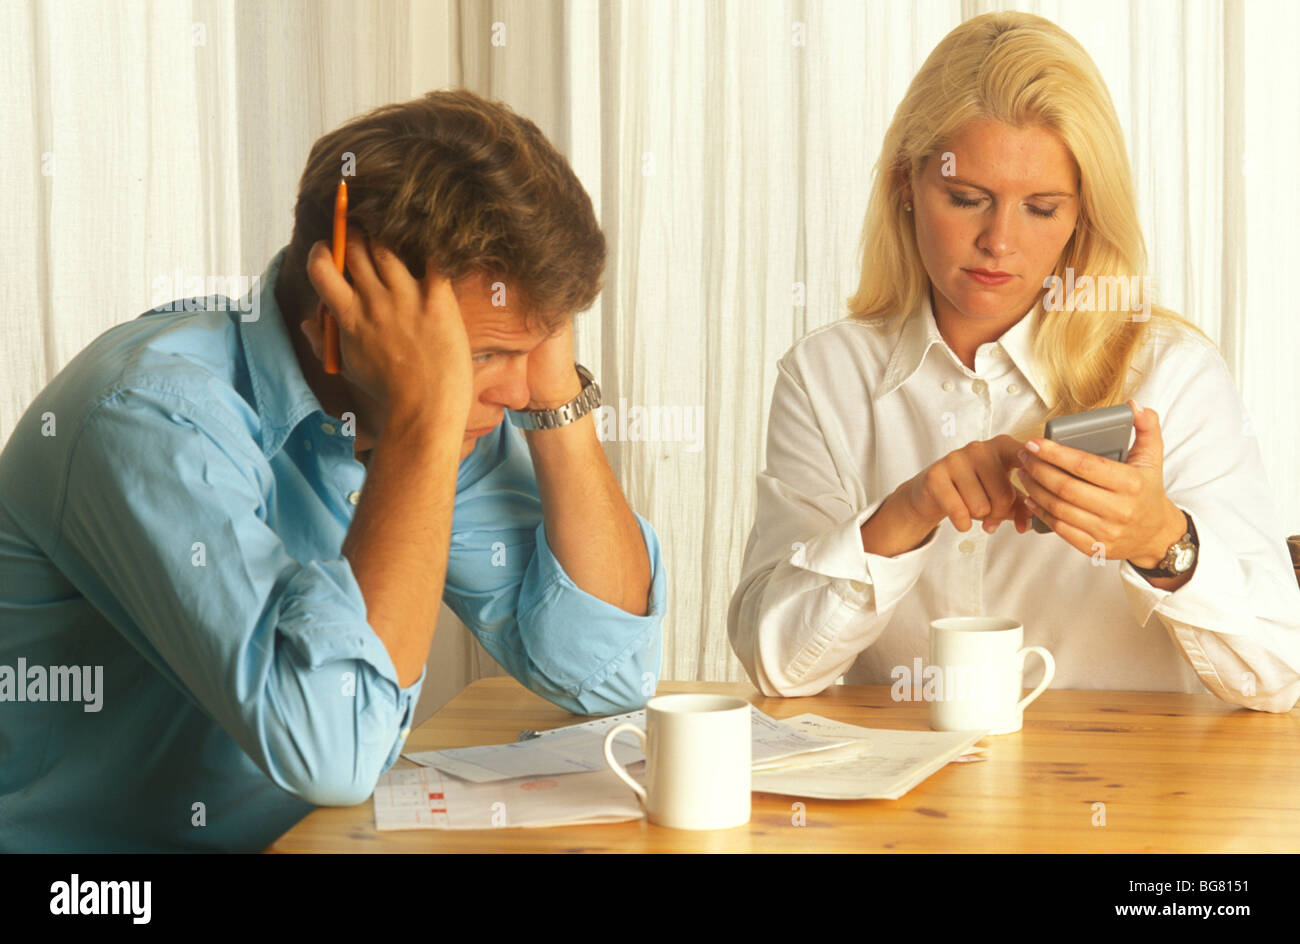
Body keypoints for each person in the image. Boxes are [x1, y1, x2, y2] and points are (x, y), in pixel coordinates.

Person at [0, 90, 665, 852]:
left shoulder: (428, 409)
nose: (512, 394)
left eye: (532, 350)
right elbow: (334, 755)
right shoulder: (151, 418)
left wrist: (553, 395)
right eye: (485, 356)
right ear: (341, 317)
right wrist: (425, 419)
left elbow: (609, 673)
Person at [728, 11, 1300, 712]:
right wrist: (906, 514)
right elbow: (774, 665)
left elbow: (1277, 675)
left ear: (1085, 213)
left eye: (1041, 207)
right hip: (904, 805)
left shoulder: (1173, 376)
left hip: (1138, 802)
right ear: (907, 184)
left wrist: (1159, 540)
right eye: (967, 199)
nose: (999, 241)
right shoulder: (824, 378)